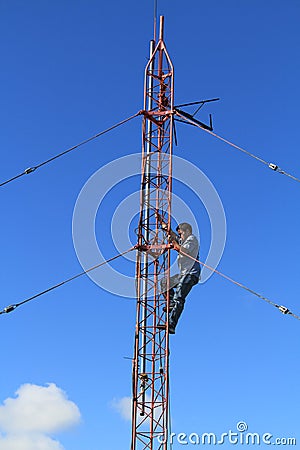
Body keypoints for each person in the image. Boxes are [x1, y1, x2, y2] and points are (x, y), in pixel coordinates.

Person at [161, 222, 200, 334]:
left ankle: (171, 324)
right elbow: (174, 236)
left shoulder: (192, 239)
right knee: (165, 283)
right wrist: (163, 225)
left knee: (179, 297)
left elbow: (183, 250)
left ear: (187, 231)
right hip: (183, 274)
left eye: (181, 233)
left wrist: (173, 243)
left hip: (190, 274)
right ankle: (171, 303)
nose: (180, 236)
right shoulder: (184, 239)